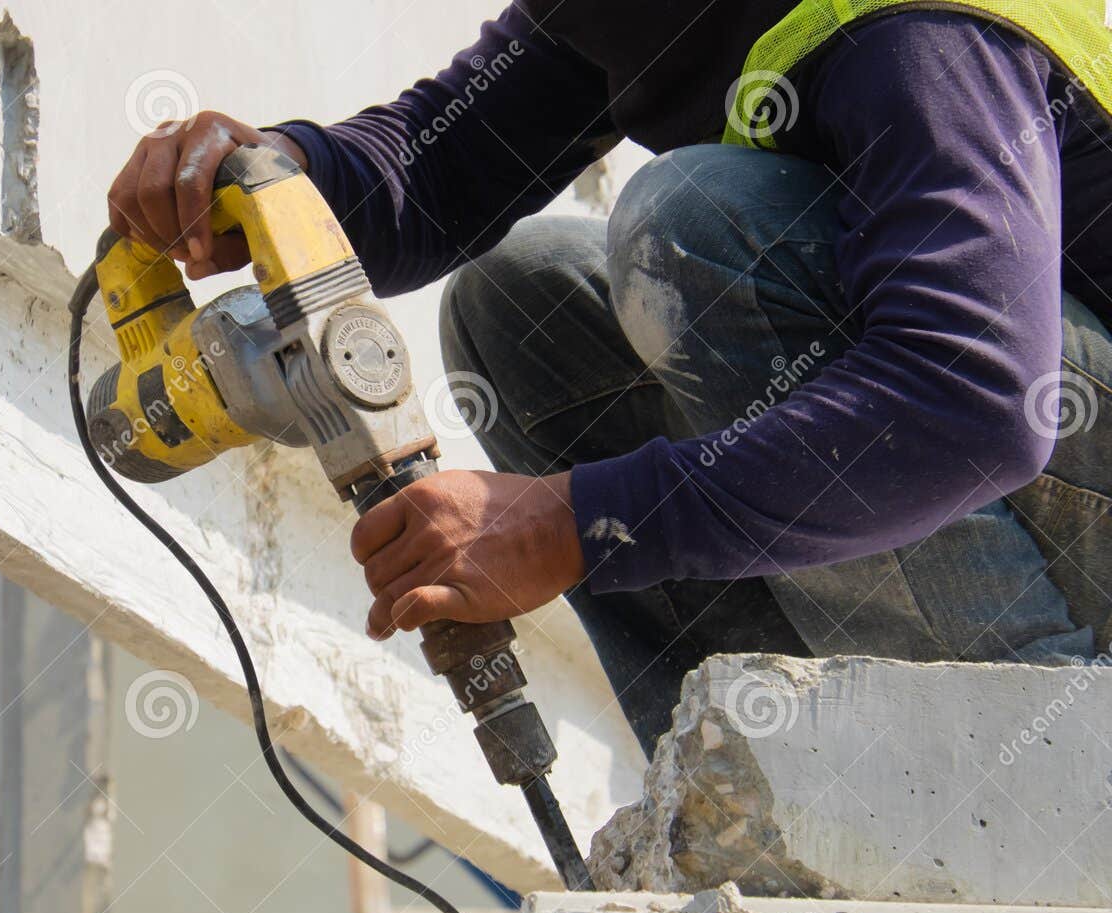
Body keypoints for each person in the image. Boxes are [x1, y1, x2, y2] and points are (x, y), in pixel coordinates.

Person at [108, 0, 1112, 753]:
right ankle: (749, 780)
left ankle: (1030, 744)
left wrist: (571, 521)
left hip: (1047, 474)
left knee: (697, 228)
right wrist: (268, 172)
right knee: (521, 300)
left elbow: (970, 397)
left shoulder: (916, 30)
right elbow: (434, 176)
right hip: (1031, 482)